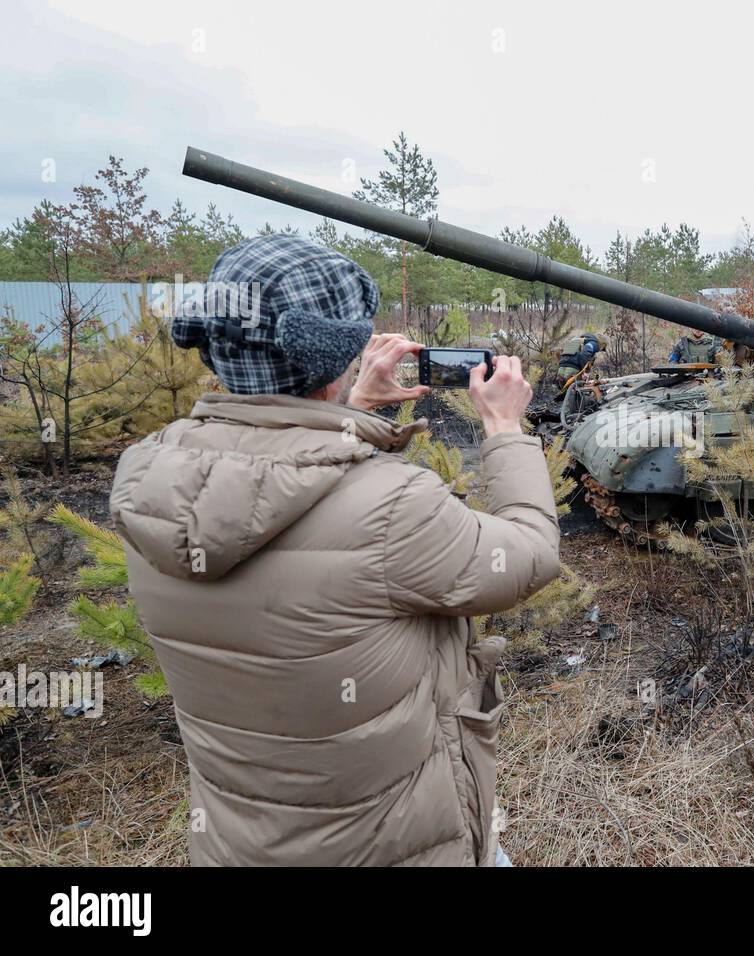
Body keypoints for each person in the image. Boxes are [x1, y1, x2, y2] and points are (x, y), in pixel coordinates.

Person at [109, 234, 561, 866]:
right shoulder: (394, 505)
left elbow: (277, 481)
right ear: (332, 357)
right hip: (397, 848)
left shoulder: (153, 485)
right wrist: (506, 431)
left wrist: (350, 412)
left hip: (235, 846)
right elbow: (531, 554)